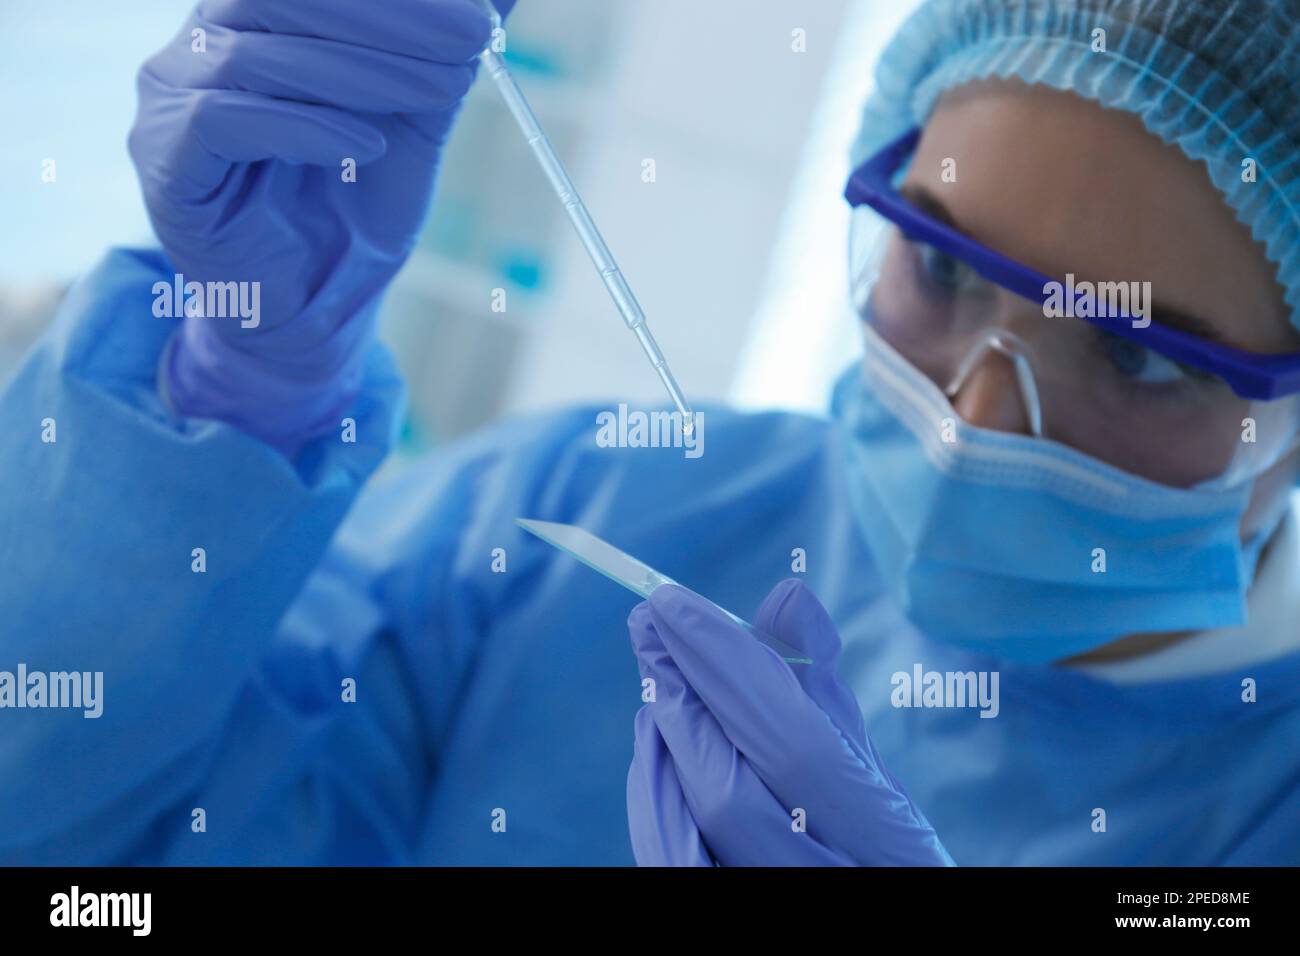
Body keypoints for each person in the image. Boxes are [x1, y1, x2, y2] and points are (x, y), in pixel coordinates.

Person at [1, 0, 1298, 866]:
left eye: (1134, 354)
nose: (965, 424)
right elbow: (76, 839)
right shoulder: (597, 510)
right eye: (940, 273)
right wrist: (228, 391)